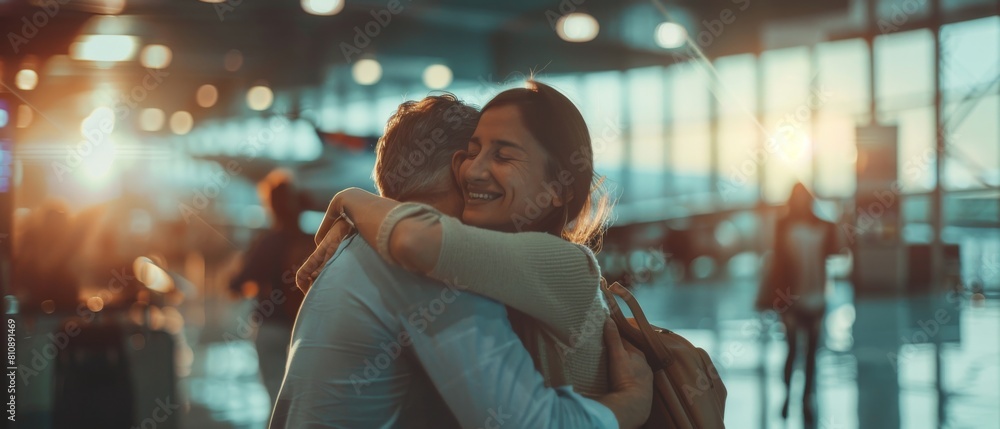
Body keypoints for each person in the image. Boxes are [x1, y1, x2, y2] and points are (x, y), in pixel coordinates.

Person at [272, 94, 652, 428]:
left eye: (501, 156)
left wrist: (349, 201)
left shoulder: (389, 251)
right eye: (471, 155)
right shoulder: (432, 270)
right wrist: (626, 406)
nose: (474, 171)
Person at [229, 170, 312, 409]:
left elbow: (235, 286)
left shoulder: (266, 243)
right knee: (302, 404)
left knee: (277, 405)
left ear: (271, 206)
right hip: (304, 331)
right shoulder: (311, 241)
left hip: (271, 328)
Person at [757, 182, 839, 425]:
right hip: (791, 300)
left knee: (812, 351)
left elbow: (834, 253)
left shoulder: (824, 226)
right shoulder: (783, 225)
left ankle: (806, 397)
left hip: (816, 297)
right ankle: (787, 395)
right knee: (792, 349)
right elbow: (777, 265)